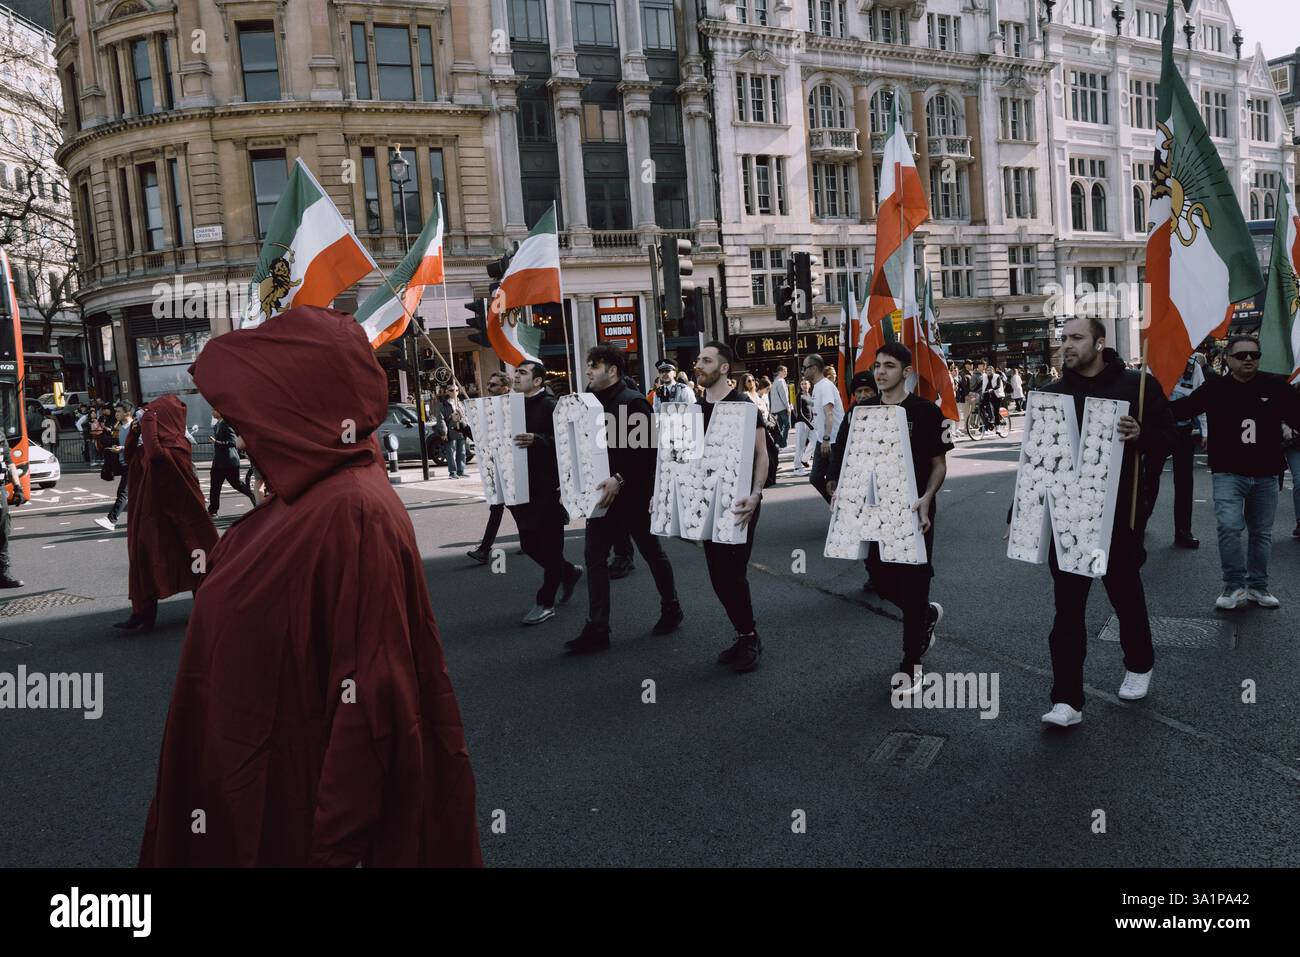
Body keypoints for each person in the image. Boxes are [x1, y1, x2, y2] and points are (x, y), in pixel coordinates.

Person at [141, 305, 481, 867]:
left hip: (286, 816)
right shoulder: (313, 494)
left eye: (252, 417)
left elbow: (372, 708)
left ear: (297, 407)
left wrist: (335, 851)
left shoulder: (350, 511)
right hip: (252, 790)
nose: (244, 437)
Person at [1036, 317, 1173, 728]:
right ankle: (1066, 700)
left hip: (1119, 518)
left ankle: (1139, 662)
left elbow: (1171, 439)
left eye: (1076, 338)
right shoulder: (1053, 393)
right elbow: (1040, 459)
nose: (1066, 345)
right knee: (1067, 610)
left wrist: (1141, 433)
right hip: (1069, 519)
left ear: (1099, 342)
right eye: (1063, 339)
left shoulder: (1137, 386)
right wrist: (1020, 512)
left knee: (1125, 597)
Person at [827, 345, 949, 694]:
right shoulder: (860, 411)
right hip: (873, 513)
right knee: (881, 581)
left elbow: (939, 464)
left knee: (913, 585)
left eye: (889, 366)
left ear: (906, 372)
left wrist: (927, 497)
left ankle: (912, 664)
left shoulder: (925, 412)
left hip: (914, 513)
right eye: (877, 366)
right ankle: (924, 614)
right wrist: (837, 486)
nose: (880, 372)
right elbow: (844, 452)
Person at [1168, 334, 1300, 610]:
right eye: (1242, 355)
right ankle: (1234, 585)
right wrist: (1146, 407)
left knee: (1261, 533)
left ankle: (1258, 586)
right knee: (1229, 527)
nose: (1249, 359)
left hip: (1266, 473)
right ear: (1228, 358)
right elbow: (1182, 409)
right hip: (1228, 472)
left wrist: (1291, 429)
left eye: (1254, 354)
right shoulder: (1215, 388)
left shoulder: (1275, 386)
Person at [567, 344, 682, 654]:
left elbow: (648, 452)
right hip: (601, 498)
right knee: (594, 558)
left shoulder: (632, 402)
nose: (588, 370)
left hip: (631, 496)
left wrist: (620, 479)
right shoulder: (588, 403)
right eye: (588, 365)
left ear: (613, 371)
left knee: (651, 551)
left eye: (594, 365)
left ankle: (672, 607)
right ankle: (598, 628)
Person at [113, 395, 219, 632]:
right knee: (157, 553)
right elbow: (131, 456)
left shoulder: (172, 449)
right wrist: (137, 430)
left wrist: (148, 422)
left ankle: (201, 606)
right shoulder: (172, 446)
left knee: (194, 552)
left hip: (169, 514)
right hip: (158, 514)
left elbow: (152, 454)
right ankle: (144, 610)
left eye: (152, 415)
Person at [691, 342, 767, 672]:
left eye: (706, 360)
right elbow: (680, 461)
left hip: (740, 502)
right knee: (718, 578)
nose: (698, 365)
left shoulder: (744, 405)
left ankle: (750, 638)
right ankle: (742, 633)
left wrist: (756, 494)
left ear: (723, 368)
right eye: (698, 360)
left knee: (733, 574)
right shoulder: (692, 410)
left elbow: (761, 454)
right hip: (706, 503)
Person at [510, 360, 583, 625]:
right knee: (529, 544)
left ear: (538, 381)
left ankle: (545, 602)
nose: (516, 376)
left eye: (522, 373)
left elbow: (568, 443)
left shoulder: (551, 406)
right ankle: (568, 572)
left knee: (551, 548)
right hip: (521, 486)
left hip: (548, 487)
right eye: (515, 372)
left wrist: (537, 440)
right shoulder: (513, 406)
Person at [1142, 360, 1206, 549]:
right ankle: (1141, 520)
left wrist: (1205, 430)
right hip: (1159, 429)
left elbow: (1200, 397)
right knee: (1149, 478)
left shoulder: (1193, 365)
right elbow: (1142, 396)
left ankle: (1183, 531)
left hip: (1183, 429)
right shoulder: (1153, 360)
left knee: (1184, 482)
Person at [829, 369, 879, 594]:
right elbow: (839, 446)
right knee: (864, 530)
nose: (863, 395)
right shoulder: (851, 414)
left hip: (883, 480)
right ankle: (874, 573)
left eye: (868, 390)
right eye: (859, 391)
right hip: (857, 480)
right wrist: (833, 476)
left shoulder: (886, 410)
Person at [467, 371, 513, 564]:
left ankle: (532, 540)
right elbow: (481, 437)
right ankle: (485, 549)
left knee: (516, 507)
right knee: (497, 506)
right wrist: (461, 425)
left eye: (493, 385)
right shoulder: (488, 409)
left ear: (505, 387)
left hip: (512, 466)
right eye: (488, 384)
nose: (489, 388)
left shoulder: (513, 406)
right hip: (496, 463)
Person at [802, 353, 844, 503]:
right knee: (815, 478)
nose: (803, 372)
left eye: (805, 368)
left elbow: (829, 414)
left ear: (814, 368)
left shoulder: (825, 386)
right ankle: (836, 506)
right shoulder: (817, 387)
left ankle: (840, 508)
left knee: (834, 481)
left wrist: (826, 439)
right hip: (823, 439)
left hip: (833, 441)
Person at [208, 409, 257, 516]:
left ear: (221, 412)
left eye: (214, 410)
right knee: (214, 486)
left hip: (229, 462)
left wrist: (216, 442)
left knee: (237, 485)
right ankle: (212, 510)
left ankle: (255, 498)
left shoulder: (227, 424)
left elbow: (233, 442)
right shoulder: (217, 425)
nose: (212, 412)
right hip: (218, 462)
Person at [94, 403, 134, 531]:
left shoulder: (135, 426)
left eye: (118, 411)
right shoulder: (121, 427)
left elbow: (140, 444)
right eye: (115, 411)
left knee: (123, 493)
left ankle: (111, 520)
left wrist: (121, 449)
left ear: (127, 413)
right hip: (125, 464)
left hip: (134, 464)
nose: (116, 413)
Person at [0, 438, 26, 588]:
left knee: (3, 532)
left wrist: (18, 487)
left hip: (0, 490)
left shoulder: (1, 436)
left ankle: (3, 574)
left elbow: (10, 463)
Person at [439, 386, 468, 479]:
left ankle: (461, 470)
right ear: (447, 391)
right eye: (452, 390)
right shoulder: (443, 404)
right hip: (451, 430)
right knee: (451, 452)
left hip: (461, 430)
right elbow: (441, 419)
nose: (455, 392)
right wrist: (444, 432)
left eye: (456, 390)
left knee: (462, 451)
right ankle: (452, 472)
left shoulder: (460, 403)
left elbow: (465, 416)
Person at [793, 378, 816, 475]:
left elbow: (812, 410)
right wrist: (810, 425)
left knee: (815, 441)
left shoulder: (809, 395)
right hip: (802, 424)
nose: (804, 385)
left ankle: (805, 459)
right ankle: (797, 468)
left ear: (809, 385)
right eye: (802, 384)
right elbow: (800, 414)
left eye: (805, 383)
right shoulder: (800, 396)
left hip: (810, 424)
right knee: (800, 446)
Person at [769, 364, 791, 448]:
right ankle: (782, 443)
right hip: (782, 407)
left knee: (781, 427)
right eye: (785, 371)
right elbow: (784, 396)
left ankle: (778, 442)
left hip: (775, 408)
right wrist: (788, 407)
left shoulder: (775, 381)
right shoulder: (781, 381)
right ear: (780, 372)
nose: (786, 373)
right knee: (787, 425)